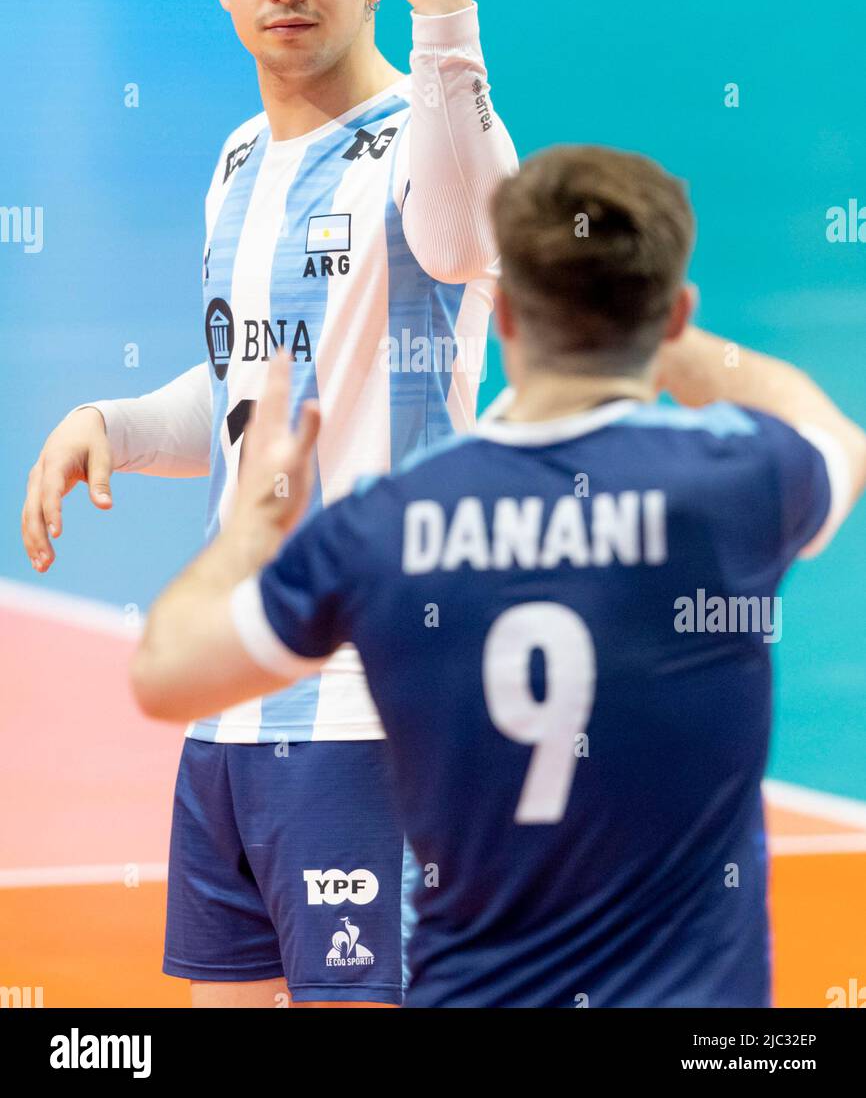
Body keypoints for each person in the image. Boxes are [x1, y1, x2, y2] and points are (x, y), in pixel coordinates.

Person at [131, 143, 865, 1007]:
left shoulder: (388, 521)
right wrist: (675, 344)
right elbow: (837, 439)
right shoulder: (736, 489)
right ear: (673, 316)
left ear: (506, 315)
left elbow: (165, 678)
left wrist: (247, 534)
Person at [21, 0, 517, 1008]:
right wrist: (122, 424)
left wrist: (451, 18)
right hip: (230, 713)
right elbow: (257, 388)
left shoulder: (422, 140)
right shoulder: (241, 159)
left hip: (367, 708)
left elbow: (478, 222)